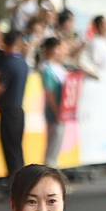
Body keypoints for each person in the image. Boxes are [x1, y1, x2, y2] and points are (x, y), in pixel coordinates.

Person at [0, 29, 28, 181]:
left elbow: (0, 88)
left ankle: (15, 182)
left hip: (8, 110)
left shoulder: (8, 63)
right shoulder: (23, 63)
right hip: (18, 110)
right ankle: (21, 181)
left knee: (10, 148)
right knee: (17, 147)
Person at [39, 35, 67, 169]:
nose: (60, 51)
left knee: (57, 142)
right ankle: (49, 174)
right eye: (57, 48)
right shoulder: (46, 68)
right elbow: (49, 93)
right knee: (53, 143)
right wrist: (57, 112)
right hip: (54, 110)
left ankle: (53, 172)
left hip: (62, 109)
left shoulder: (59, 67)